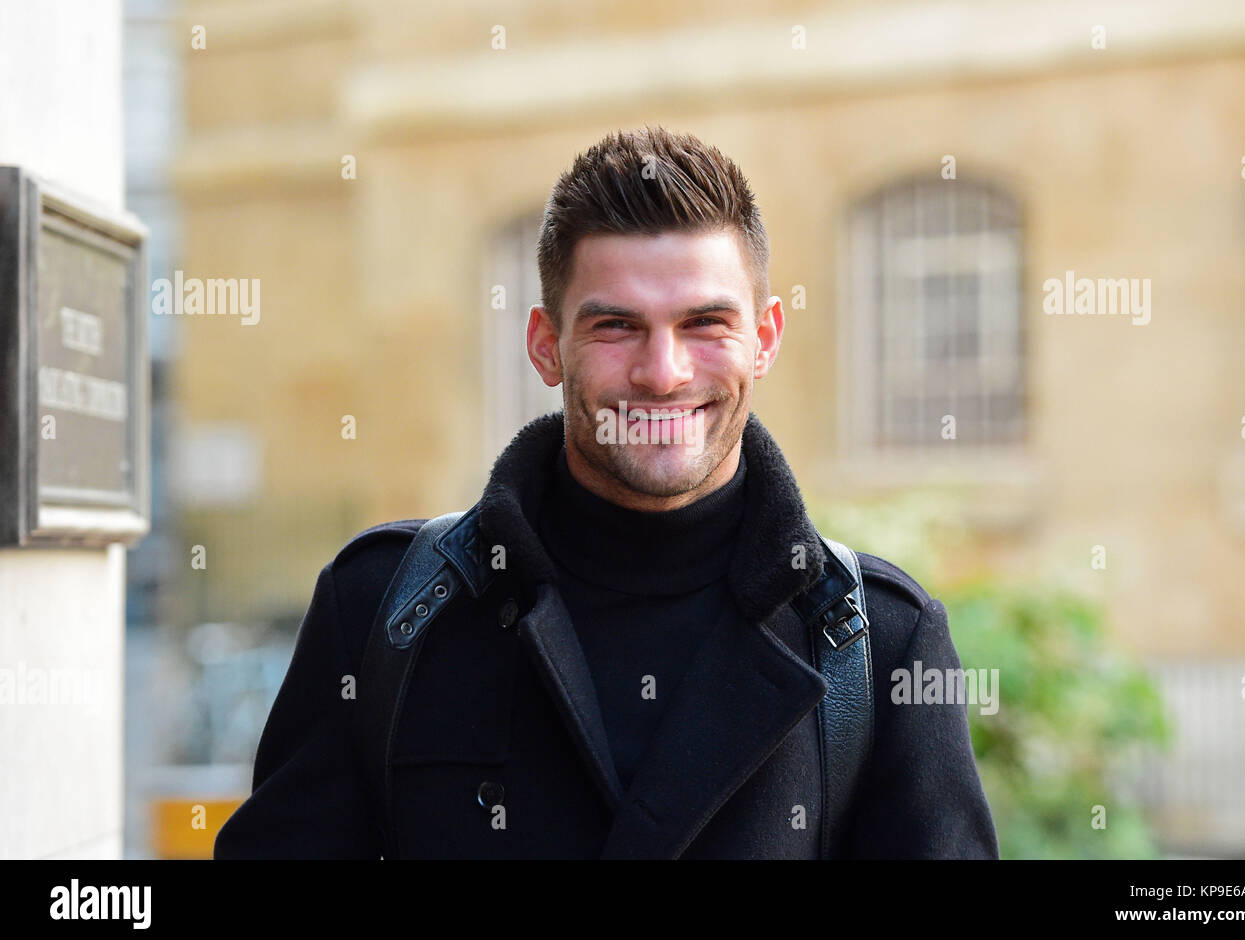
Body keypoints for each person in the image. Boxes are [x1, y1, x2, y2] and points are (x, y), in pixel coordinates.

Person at [213, 126, 999, 859]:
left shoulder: (879, 644)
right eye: (617, 326)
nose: (663, 373)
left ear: (763, 341)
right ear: (546, 346)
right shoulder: (384, 610)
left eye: (705, 324)